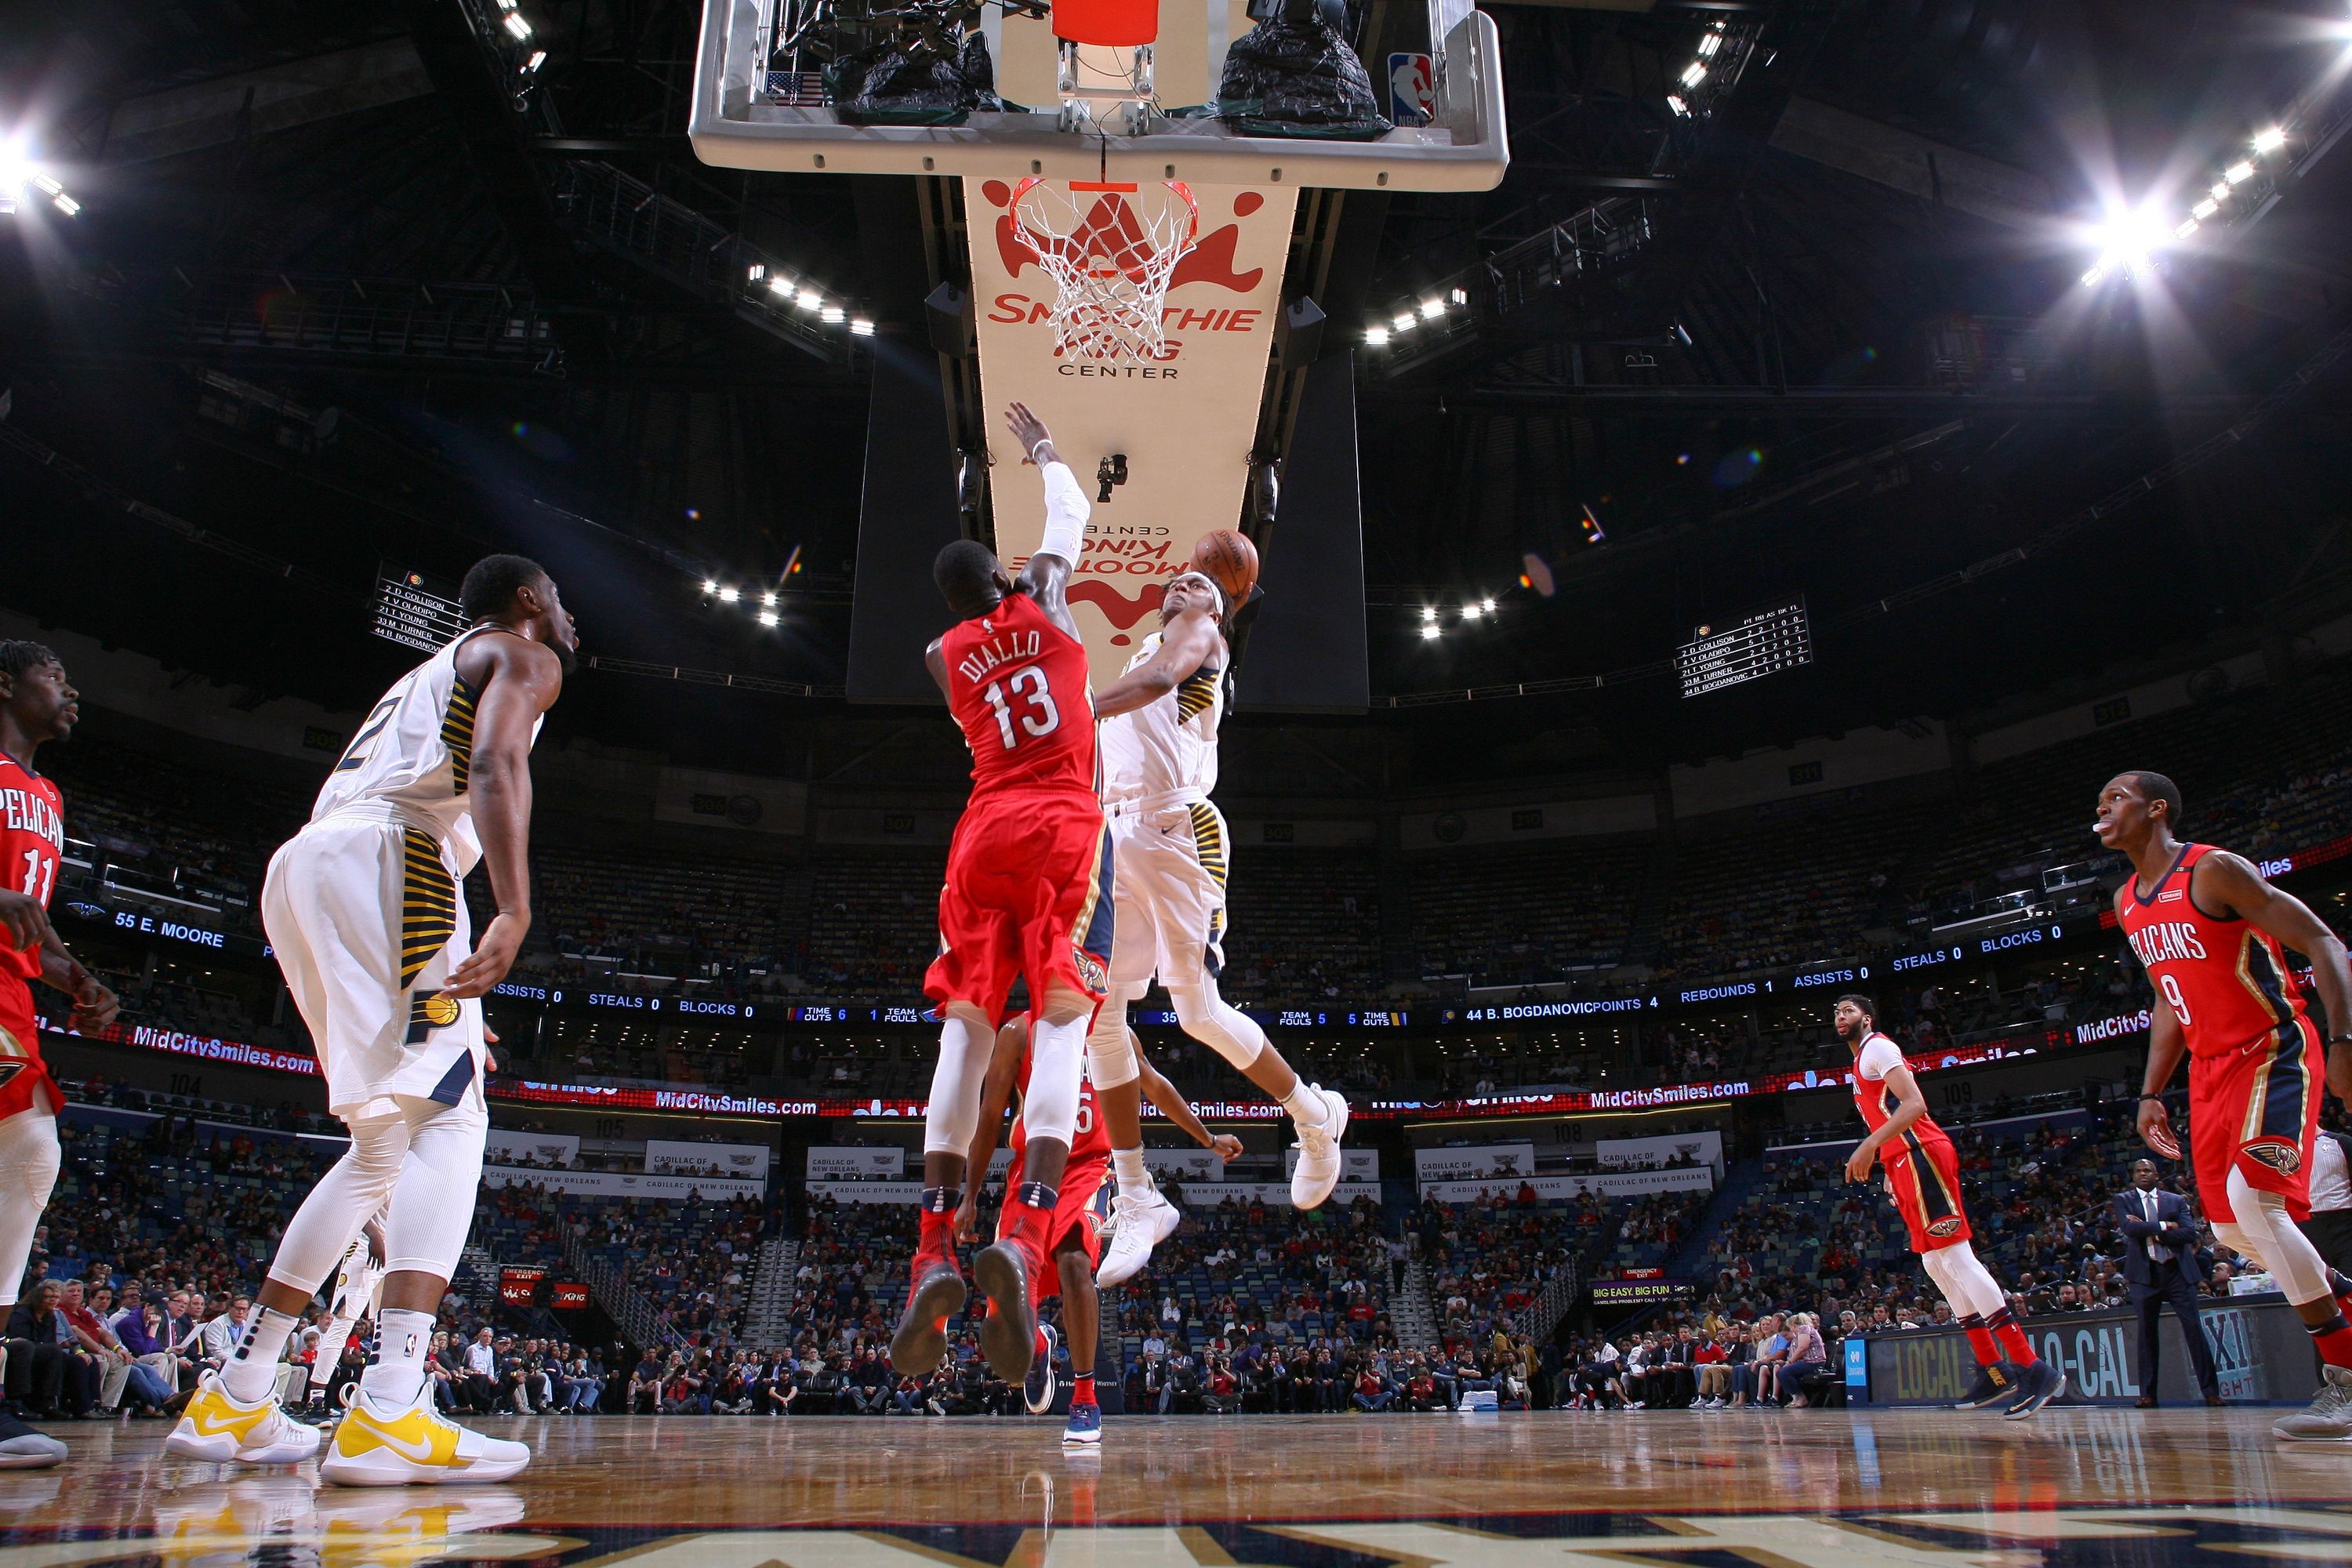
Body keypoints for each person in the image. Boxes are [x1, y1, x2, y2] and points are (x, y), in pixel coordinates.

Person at [167, 554, 573, 1483]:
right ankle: (391, 1401)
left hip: (312, 867)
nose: (567, 619)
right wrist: (514, 908)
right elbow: (497, 761)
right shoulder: (523, 653)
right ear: (526, 600)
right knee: (453, 1119)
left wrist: (449, 1009)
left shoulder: (424, 674)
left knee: (381, 1146)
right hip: (397, 859)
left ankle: (239, 1390)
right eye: (559, 601)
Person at [893, 405, 1110, 1390]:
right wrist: (1045, 451)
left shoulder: (941, 658)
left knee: (967, 1032)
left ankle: (932, 1249)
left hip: (980, 832)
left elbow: (971, 650)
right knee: (1060, 1023)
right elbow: (1069, 518)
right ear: (1005, 576)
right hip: (1061, 823)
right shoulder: (1049, 602)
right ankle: (1022, 1233)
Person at [1085, 569, 1351, 1288]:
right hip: (1115, 834)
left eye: (1196, 581)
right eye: (1174, 581)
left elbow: (1156, 682)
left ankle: (1313, 1117)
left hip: (1177, 829)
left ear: (1220, 606)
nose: (1179, 583)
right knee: (1101, 1016)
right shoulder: (1145, 648)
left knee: (1197, 1012)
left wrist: (1077, 706)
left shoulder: (1198, 637)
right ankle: (1137, 1196)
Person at [2102, 771, 2352, 1441]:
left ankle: (2346, 1378)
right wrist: (2151, 1092)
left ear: (2157, 809)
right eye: (2100, 801)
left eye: (2117, 797)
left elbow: (2325, 942)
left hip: (2273, 1049)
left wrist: (2344, 1043)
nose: (2103, 807)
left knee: (2256, 1204)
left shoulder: (2212, 870)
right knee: (2234, 1231)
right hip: (2209, 1071)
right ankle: (2345, 1304)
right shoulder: (2126, 900)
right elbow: (2167, 997)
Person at [0, 644, 120, 1468]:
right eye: (54, 676)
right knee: (30, 1149)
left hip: (13, 997)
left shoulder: (46, 795)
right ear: (6, 683)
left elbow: (28, 926)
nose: (71, 691)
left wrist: (80, 978)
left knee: (29, 1157)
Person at [1833, 993, 2064, 1417]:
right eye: (1836, 1012)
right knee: (1936, 1265)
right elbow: (1887, 1115)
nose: (1840, 1016)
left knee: (1957, 1258)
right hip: (1904, 1160)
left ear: (1867, 1018)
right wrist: (1888, 1162)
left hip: (1922, 1154)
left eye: (1849, 1010)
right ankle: (1993, 1368)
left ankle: (2032, 1368)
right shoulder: (1859, 1061)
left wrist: (1869, 1147)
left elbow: (1915, 1104)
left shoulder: (1878, 1047)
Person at [956, 1014, 1111, 1446]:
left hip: (1087, 1167)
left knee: (1075, 1262)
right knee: (1008, 1288)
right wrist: (970, 1196)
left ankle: (1085, 1398)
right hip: (1032, 1167)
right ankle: (1038, 1346)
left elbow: (1143, 1088)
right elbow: (990, 1116)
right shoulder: (1018, 1033)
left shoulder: (1111, 1027)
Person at [2114, 1157, 2221, 1407]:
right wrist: (2165, 1226)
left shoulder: (2176, 1200)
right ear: (2133, 1175)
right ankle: (2148, 1394)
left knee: (2194, 1329)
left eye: (2147, 1170)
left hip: (2178, 1272)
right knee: (2146, 1334)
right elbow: (2129, 1229)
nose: (2143, 1174)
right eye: (2138, 1171)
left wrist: (2152, 1231)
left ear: (2156, 1174)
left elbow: (2189, 1233)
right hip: (2144, 1275)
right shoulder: (2123, 1200)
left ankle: (2211, 1392)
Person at [303, 1208, 387, 1423]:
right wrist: (374, 1235)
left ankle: (381, 1399)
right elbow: (360, 1204)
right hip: (367, 1245)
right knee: (341, 1325)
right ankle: (316, 1401)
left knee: (386, 1325)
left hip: (396, 1251)